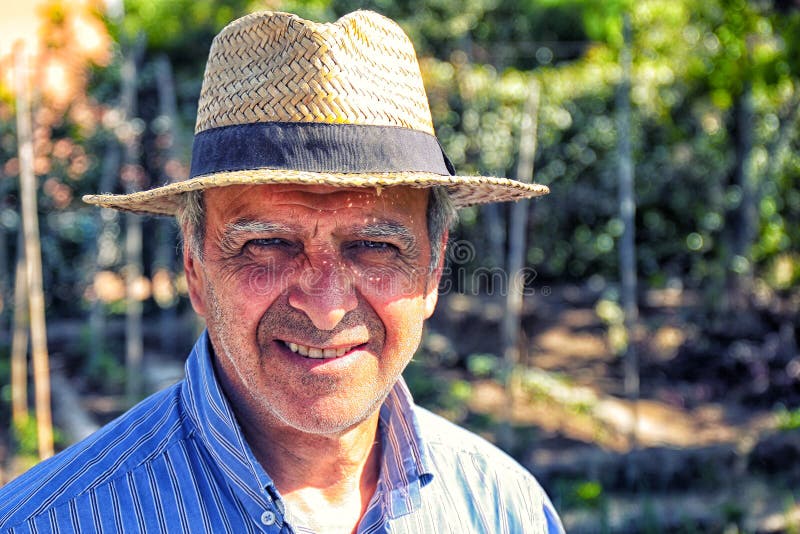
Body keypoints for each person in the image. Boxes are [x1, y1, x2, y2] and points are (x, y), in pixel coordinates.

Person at [0, 10, 563, 534]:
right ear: (195, 268)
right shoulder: (52, 521)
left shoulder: (503, 508)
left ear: (434, 270)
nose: (326, 306)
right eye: (267, 244)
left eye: (374, 246)